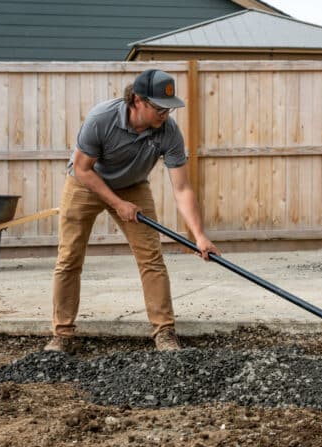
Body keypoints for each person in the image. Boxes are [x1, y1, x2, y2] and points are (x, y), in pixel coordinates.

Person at [44, 69, 220, 353]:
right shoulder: (102, 119)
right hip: (85, 185)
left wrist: (199, 235)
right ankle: (61, 334)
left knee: (151, 257)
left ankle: (164, 332)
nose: (166, 114)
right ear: (137, 100)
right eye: (159, 107)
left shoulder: (169, 132)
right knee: (69, 257)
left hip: (133, 187)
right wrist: (117, 203)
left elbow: (182, 188)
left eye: (169, 108)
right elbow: (81, 168)